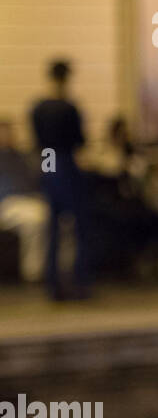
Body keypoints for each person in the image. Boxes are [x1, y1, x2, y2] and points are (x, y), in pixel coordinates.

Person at [29, 59, 92, 300]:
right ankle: (79, 280)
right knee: (78, 225)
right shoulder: (68, 107)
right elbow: (79, 140)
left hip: (48, 163)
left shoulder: (38, 108)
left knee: (53, 226)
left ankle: (53, 282)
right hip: (65, 163)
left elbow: (38, 144)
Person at [0, 119, 49, 284]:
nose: (6, 137)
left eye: (8, 133)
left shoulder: (21, 156)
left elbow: (44, 171)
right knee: (36, 220)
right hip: (7, 203)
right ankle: (33, 274)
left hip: (31, 200)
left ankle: (58, 269)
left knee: (60, 217)